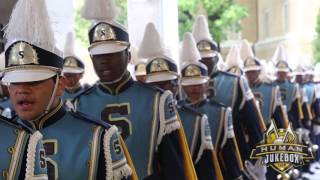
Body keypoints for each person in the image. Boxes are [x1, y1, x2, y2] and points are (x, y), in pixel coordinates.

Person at [3, 0, 134, 179]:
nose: (21, 90)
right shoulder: (6, 136)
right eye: (14, 82)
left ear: (60, 85)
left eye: (33, 82)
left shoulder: (99, 138)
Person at [73, 0, 196, 179]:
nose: (104, 60)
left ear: (128, 55)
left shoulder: (158, 100)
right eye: (98, 55)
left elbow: (173, 165)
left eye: (112, 53)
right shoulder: (78, 104)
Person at [141, 23, 223, 179]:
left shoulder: (196, 120)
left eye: (166, 84)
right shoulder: (139, 116)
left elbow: (206, 168)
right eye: (155, 85)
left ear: (176, 85)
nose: (161, 90)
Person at [192, 15, 266, 164]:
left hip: (233, 151)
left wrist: (255, 154)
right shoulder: (183, 84)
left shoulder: (236, 82)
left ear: (217, 58)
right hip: (195, 151)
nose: (204, 62)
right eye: (200, 59)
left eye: (208, 58)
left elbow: (251, 120)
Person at [179, 32, 244, 180]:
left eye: (198, 84)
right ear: (182, 86)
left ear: (207, 83)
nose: (193, 88)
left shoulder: (221, 112)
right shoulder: (175, 111)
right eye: (189, 85)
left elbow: (228, 149)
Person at [62, 32, 88, 101]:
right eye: (66, 75)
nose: (70, 79)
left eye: (73, 75)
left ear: (81, 75)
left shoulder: (88, 93)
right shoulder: (56, 95)